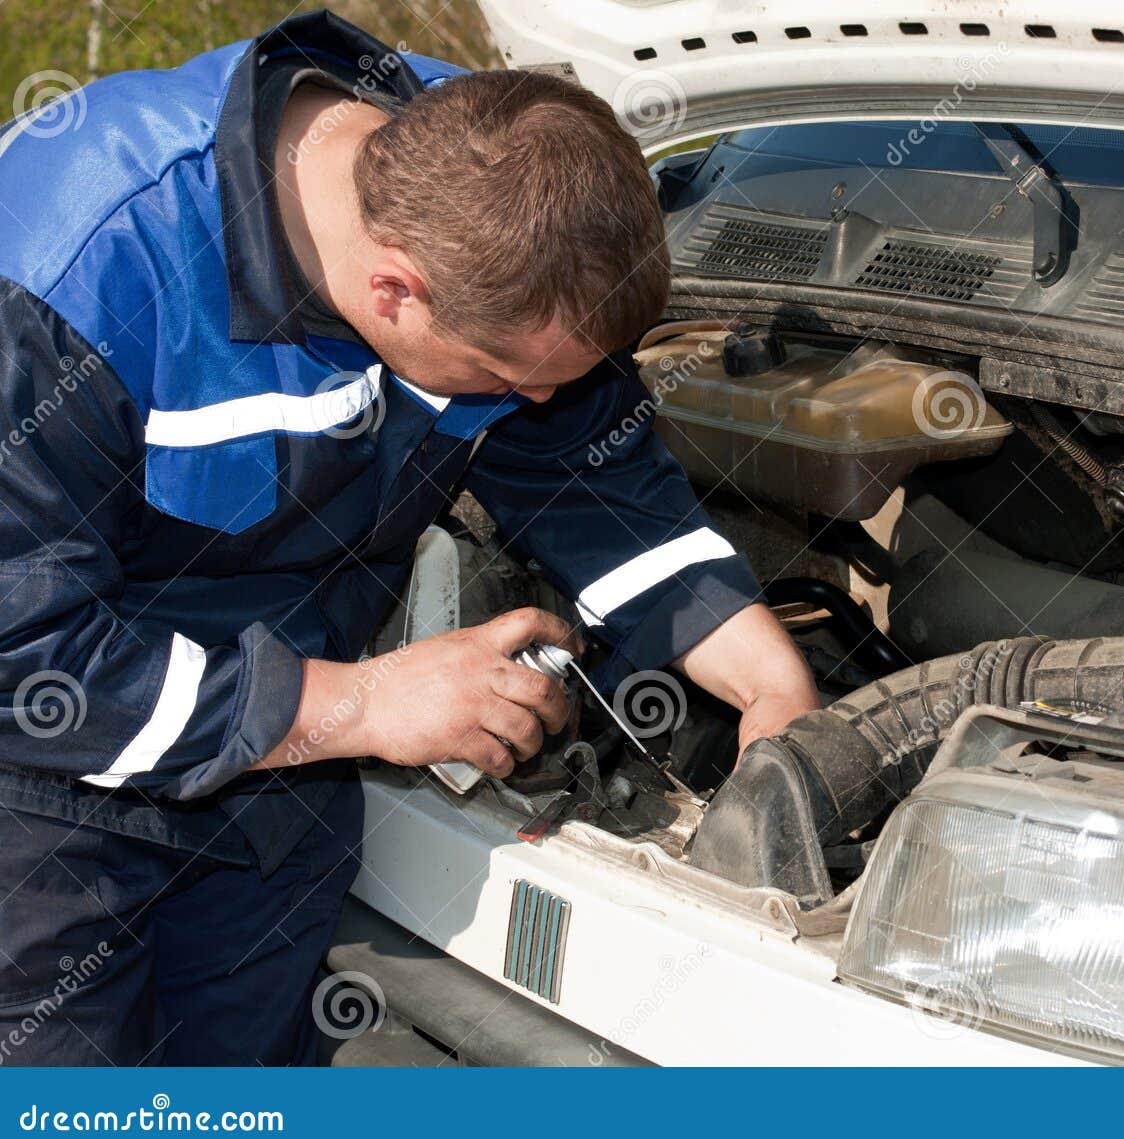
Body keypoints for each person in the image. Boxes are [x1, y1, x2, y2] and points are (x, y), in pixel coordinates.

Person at [0, 11, 818, 1065]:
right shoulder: (66, 278)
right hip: (45, 795)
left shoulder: (497, 173)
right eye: (507, 379)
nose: (533, 399)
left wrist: (763, 675)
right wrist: (362, 702)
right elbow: (22, 660)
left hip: (285, 769)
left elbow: (581, 456)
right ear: (393, 292)